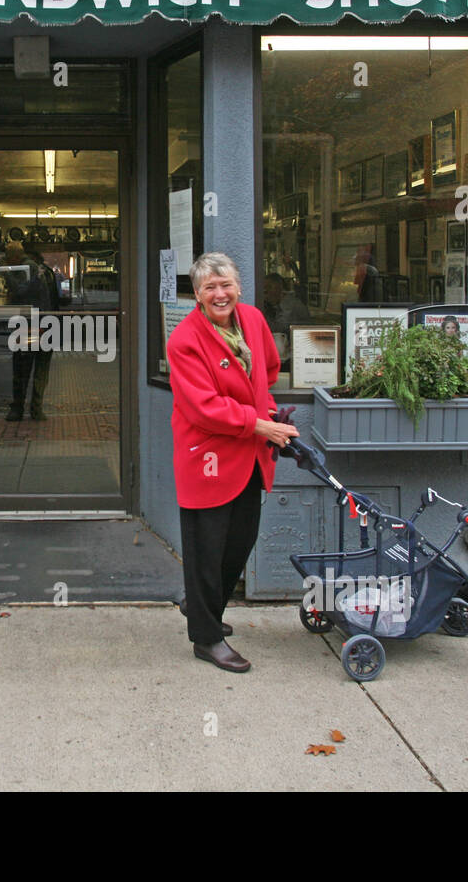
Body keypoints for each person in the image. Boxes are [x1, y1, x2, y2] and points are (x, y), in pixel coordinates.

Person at [167, 252, 300, 673]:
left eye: (225, 285)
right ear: (198, 295)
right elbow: (204, 408)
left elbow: (269, 372)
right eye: (210, 287)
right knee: (206, 548)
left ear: (238, 287)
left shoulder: (254, 321)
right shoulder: (184, 340)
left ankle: (201, 606)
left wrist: (270, 412)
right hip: (207, 455)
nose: (219, 294)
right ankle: (205, 637)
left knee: (240, 540)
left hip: (249, 454)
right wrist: (260, 425)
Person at [4, 240, 56, 421]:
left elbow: (19, 291)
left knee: (21, 368)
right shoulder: (44, 272)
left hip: (30, 325)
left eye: (8, 259)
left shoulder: (25, 268)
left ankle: (18, 408)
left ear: (14, 256)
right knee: (41, 370)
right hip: (46, 324)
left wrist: (5, 273)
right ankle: (36, 409)